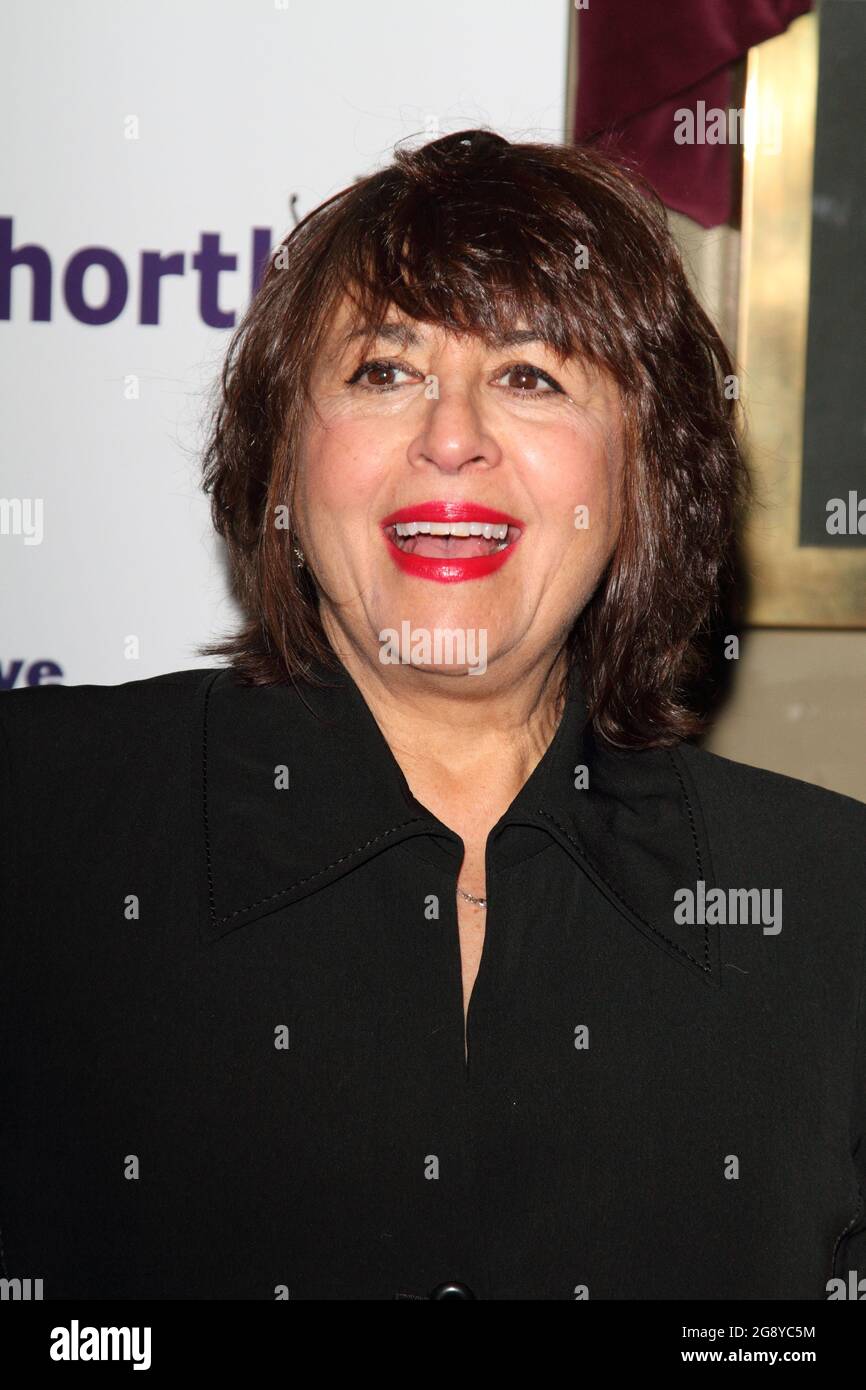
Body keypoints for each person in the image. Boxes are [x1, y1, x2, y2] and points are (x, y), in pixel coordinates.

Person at [1, 129, 864, 1301]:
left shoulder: (830, 908)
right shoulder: (38, 824)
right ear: (283, 470)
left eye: (530, 375)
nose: (450, 437)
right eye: (381, 371)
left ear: (641, 479)